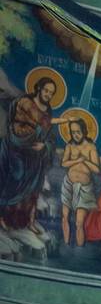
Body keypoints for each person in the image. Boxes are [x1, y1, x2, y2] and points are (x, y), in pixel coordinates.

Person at [0, 74, 58, 232]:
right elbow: (20, 125)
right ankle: (3, 217)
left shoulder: (48, 110)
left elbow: (47, 133)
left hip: (35, 157)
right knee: (14, 181)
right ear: (39, 88)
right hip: (18, 150)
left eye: (51, 93)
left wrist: (45, 146)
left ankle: (30, 221)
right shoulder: (26, 102)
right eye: (46, 90)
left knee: (34, 189)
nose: (48, 95)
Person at [60, 114, 101, 246]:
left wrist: (86, 161)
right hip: (68, 184)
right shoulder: (70, 146)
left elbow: (97, 169)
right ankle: (66, 244)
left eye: (78, 132)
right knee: (65, 217)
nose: (75, 135)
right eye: (73, 132)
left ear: (84, 131)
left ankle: (79, 249)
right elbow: (64, 163)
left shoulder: (91, 147)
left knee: (79, 223)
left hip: (84, 188)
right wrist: (78, 160)